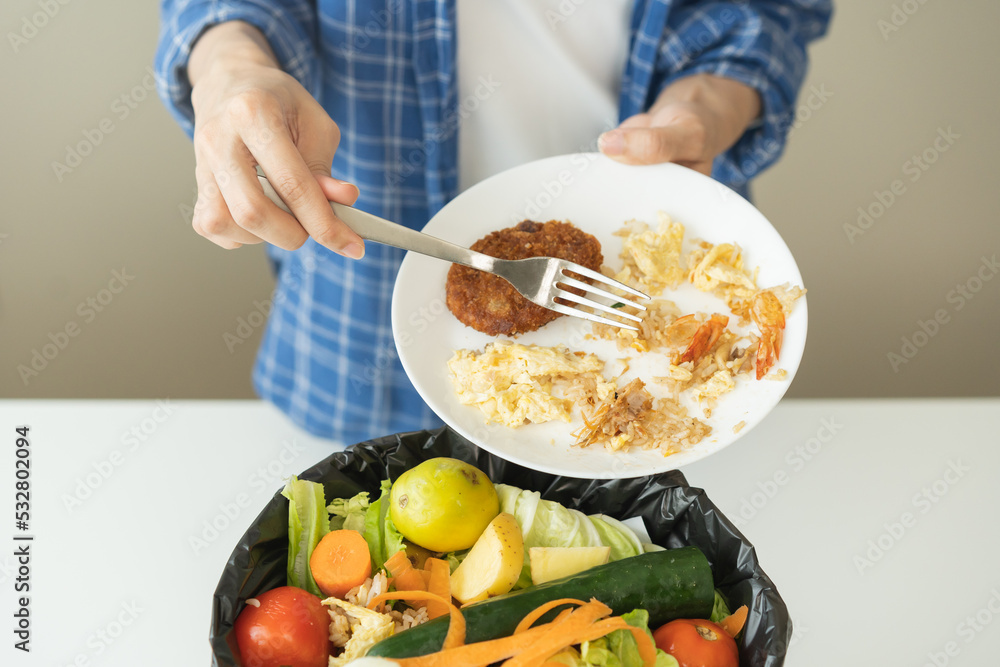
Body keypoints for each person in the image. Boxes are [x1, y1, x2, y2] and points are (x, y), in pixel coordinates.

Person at [155, 0, 832, 445]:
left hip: (661, 239)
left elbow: (770, 11)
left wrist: (707, 100)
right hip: (362, 312)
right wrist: (230, 68)